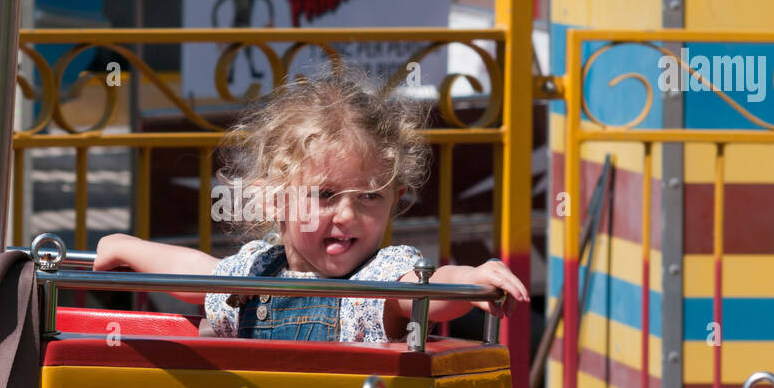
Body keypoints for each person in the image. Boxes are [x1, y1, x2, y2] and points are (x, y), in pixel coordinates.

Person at [94, 70, 528, 343]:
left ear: (394, 199)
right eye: (325, 195)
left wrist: (472, 282)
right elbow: (197, 275)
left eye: (369, 196)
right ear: (273, 197)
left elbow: (427, 291)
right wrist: (127, 247)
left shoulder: (381, 277)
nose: (347, 215)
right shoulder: (256, 270)